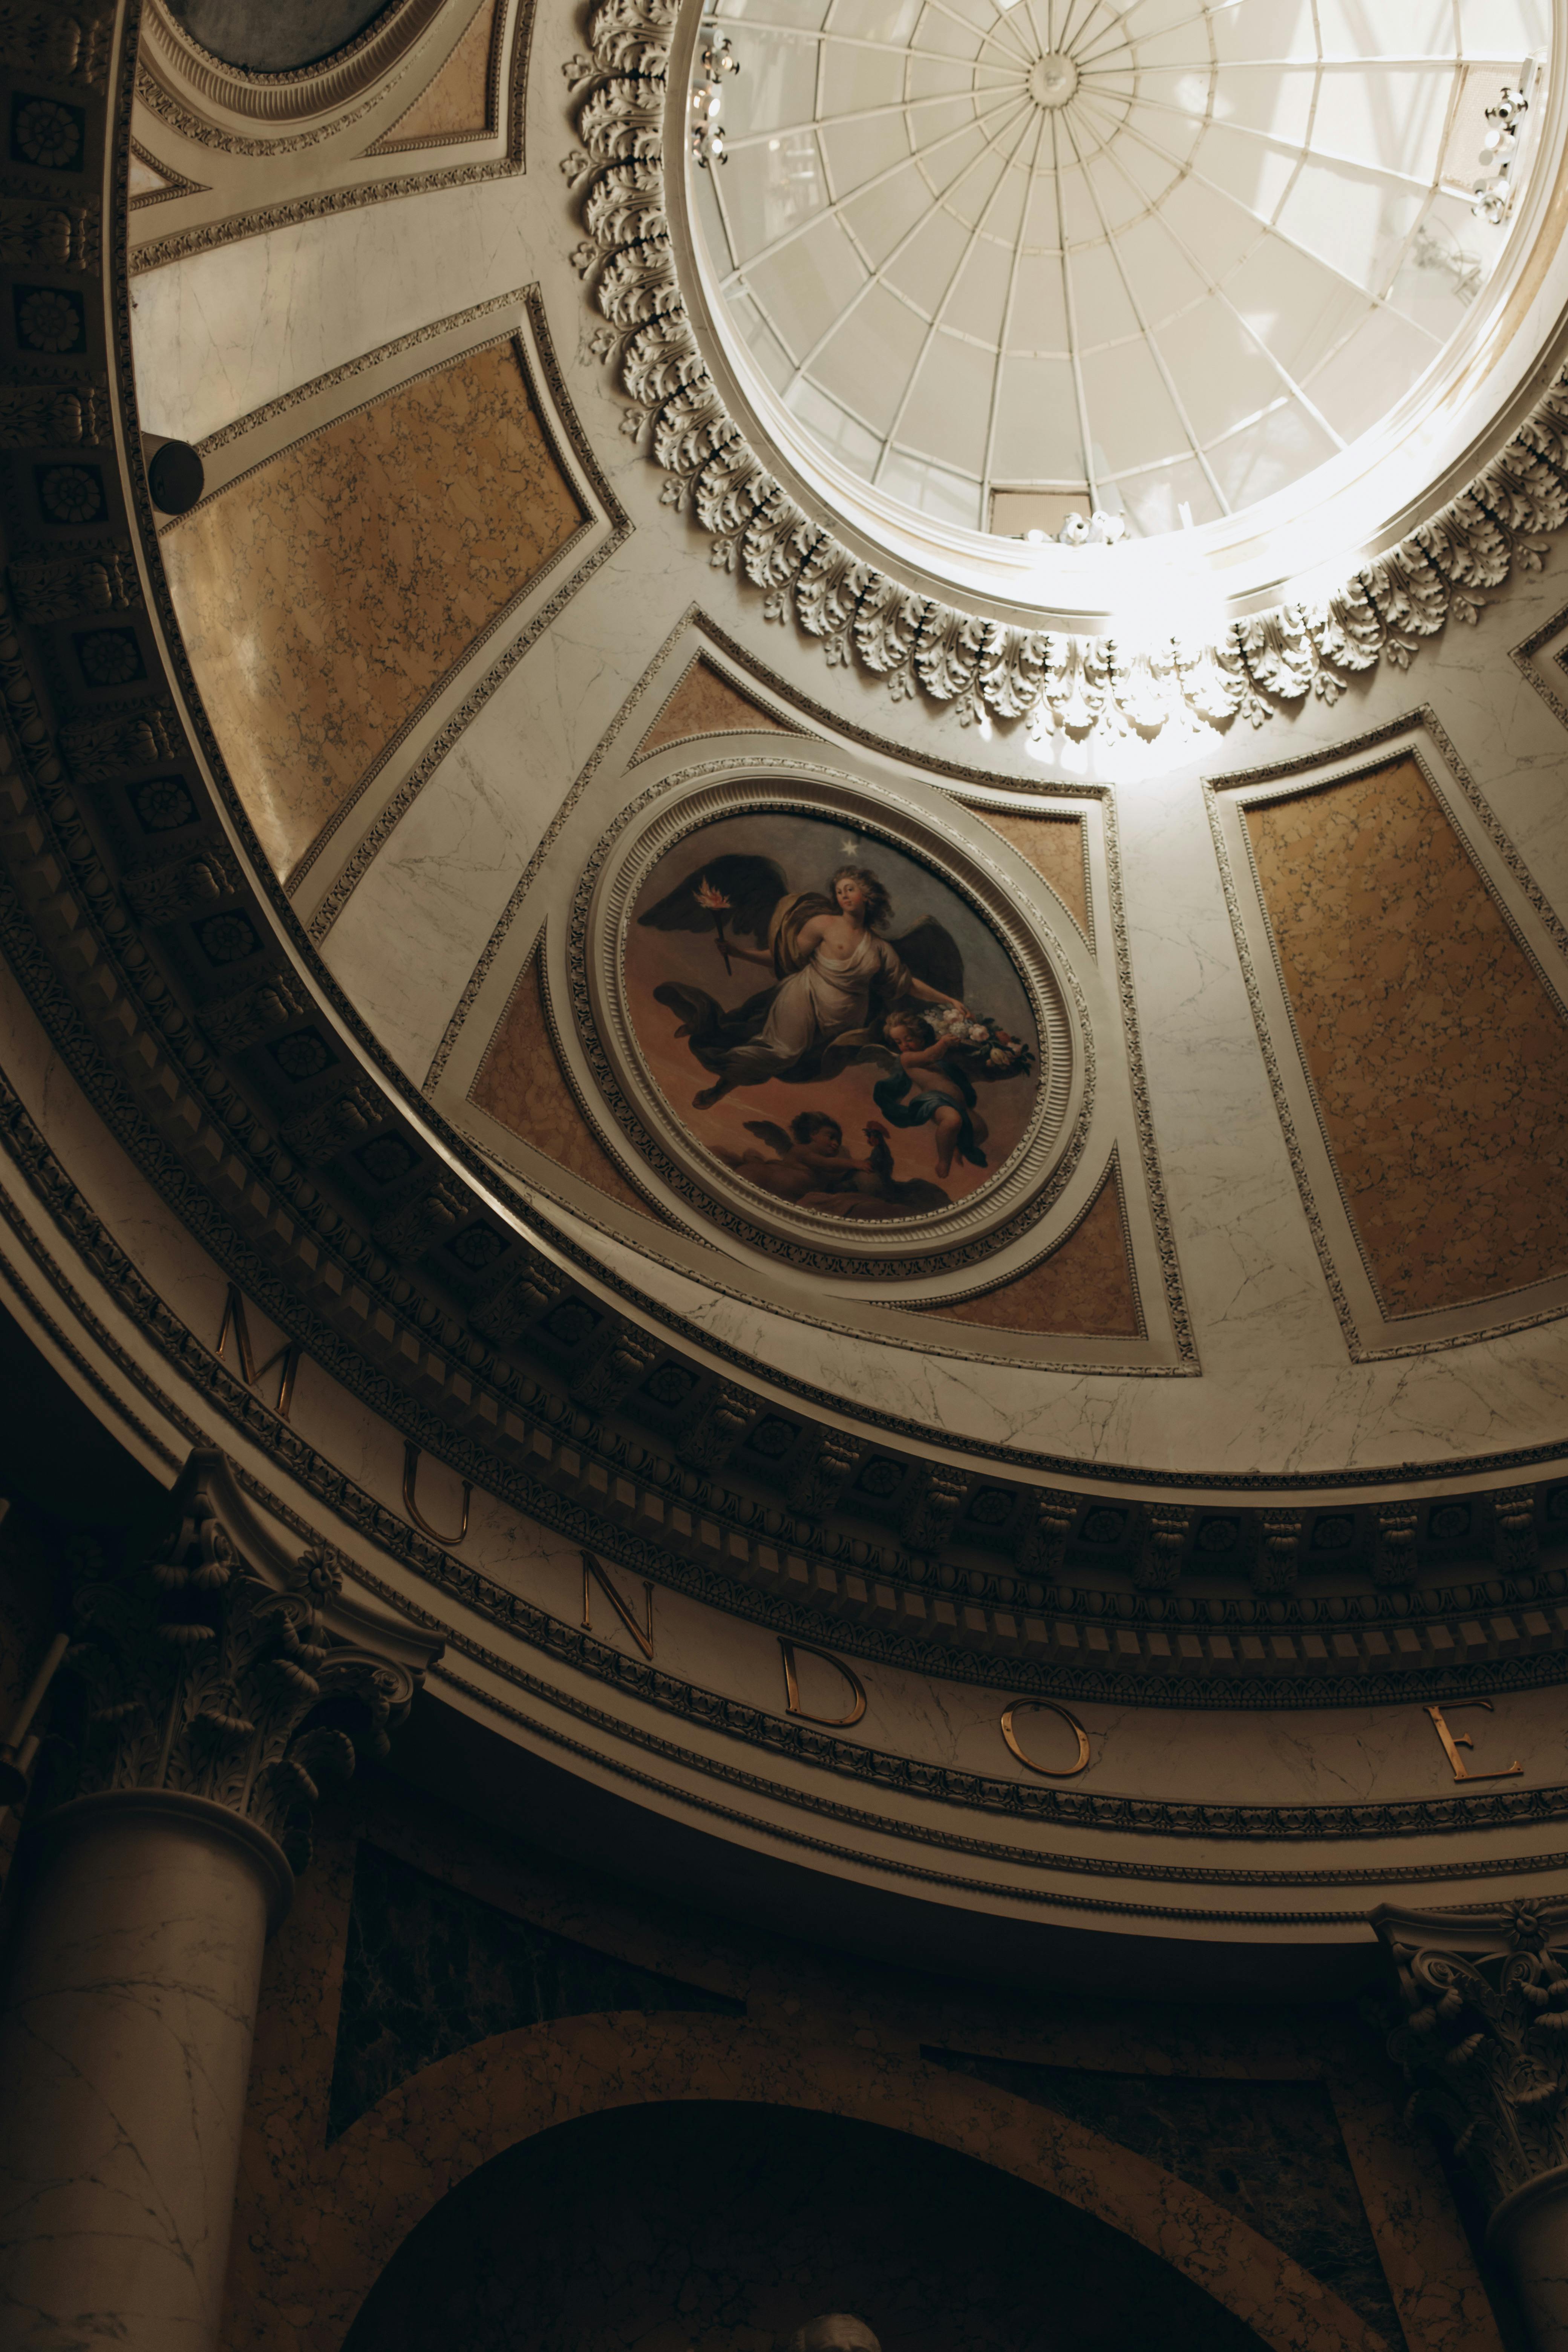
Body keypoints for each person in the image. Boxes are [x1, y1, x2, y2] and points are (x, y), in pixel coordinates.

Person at [689, 866, 967, 1108]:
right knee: (780, 1052)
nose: (844, 895)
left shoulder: (880, 948)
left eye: (850, 889)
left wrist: (948, 1001)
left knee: (816, 1065)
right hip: (805, 996)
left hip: (845, 1022)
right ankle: (719, 1087)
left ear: (867, 896)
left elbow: (908, 986)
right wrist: (739, 953)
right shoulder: (824, 924)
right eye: (839, 891)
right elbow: (782, 956)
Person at [873, 1011, 989, 1178]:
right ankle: (944, 1160)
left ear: (921, 1037)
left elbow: (939, 1061)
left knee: (980, 1130)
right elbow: (930, 1055)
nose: (904, 1045)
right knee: (952, 1121)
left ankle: (957, 1148)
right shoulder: (908, 1058)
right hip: (934, 1101)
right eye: (899, 1042)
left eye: (909, 1039)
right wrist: (944, 1043)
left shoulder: (937, 1062)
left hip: (958, 1103)